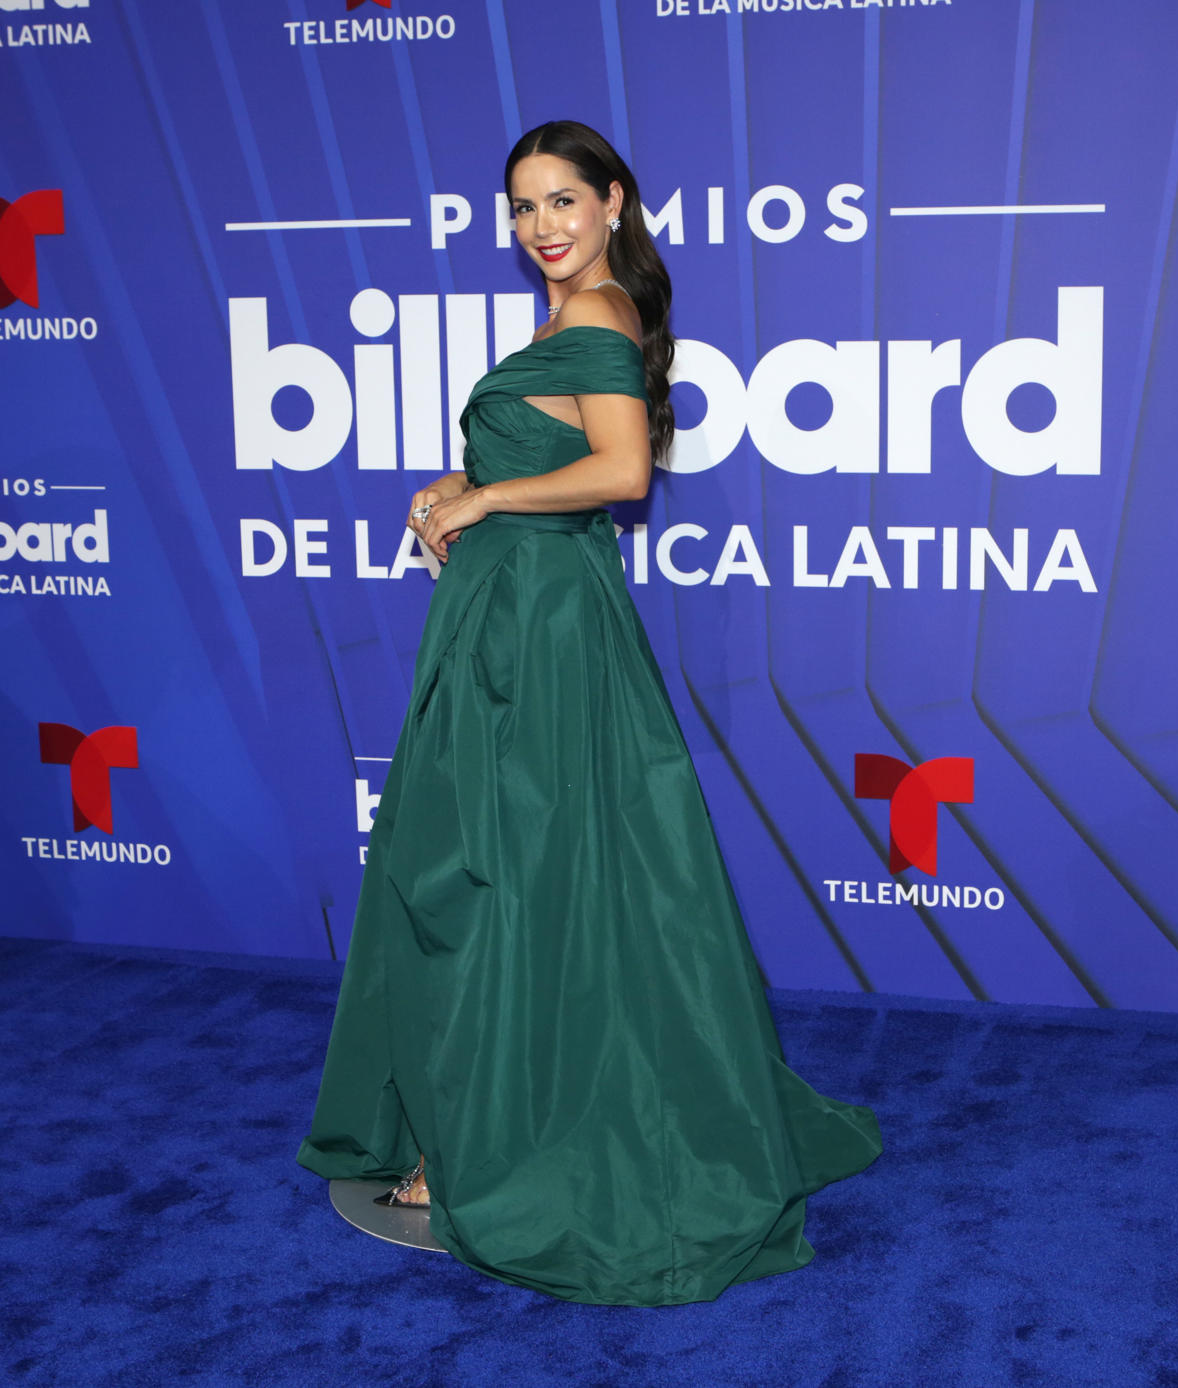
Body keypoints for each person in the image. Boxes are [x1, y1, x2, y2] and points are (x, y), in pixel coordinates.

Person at [296, 120, 881, 1308]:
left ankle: (491, 1149)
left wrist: (489, 493)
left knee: (513, 871)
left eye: (563, 200)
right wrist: (465, 492)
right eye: (522, 208)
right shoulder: (572, 321)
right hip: (512, 612)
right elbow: (566, 455)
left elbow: (622, 477)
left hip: (547, 630)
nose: (542, 227)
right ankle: (463, 1129)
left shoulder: (602, 316)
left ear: (614, 202)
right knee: (491, 867)